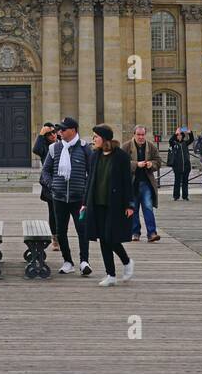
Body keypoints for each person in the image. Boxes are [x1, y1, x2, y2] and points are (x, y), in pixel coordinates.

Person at [82, 125, 135, 287]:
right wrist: (85, 203)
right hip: (97, 203)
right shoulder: (94, 155)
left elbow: (127, 182)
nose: (94, 139)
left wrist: (130, 204)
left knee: (110, 237)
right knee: (103, 239)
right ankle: (110, 274)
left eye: (96, 136)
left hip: (115, 204)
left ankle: (126, 261)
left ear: (104, 138)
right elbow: (90, 180)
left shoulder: (121, 157)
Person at [40, 117, 93, 276]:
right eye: (59, 129)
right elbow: (45, 171)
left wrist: (86, 192)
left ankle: (84, 261)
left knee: (82, 230)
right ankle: (68, 261)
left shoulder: (85, 148)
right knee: (60, 231)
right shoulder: (54, 148)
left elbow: (92, 174)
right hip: (59, 197)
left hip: (79, 198)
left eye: (63, 129)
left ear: (73, 130)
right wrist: (53, 185)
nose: (59, 132)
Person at [123, 125, 161, 242]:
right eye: (138, 135)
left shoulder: (151, 146)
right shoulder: (126, 146)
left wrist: (151, 164)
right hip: (132, 183)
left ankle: (152, 233)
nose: (141, 137)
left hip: (146, 182)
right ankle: (135, 233)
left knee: (148, 208)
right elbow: (120, 163)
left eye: (143, 135)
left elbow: (158, 161)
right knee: (133, 209)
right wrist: (135, 164)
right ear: (134, 134)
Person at [32, 122, 59, 248]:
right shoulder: (45, 148)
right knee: (53, 212)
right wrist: (41, 134)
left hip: (63, 182)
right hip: (50, 183)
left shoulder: (61, 144)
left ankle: (60, 236)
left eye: (54, 132)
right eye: (49, 134)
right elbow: (36, 150)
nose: (53, 135)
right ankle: (55, 238)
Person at [167, 126, 193, 200]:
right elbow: (170, 140)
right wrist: (175, 133)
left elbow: (191, 139)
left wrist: (190, 132)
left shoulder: (185, 143)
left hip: (186, 165)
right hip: (177, 166)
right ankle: (176, 196)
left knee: (185, 182)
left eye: (180, 135)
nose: (179, 136)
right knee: (177, 182)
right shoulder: (174, 143)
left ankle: (185, 196)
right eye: (178, 135)